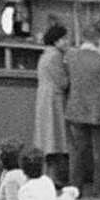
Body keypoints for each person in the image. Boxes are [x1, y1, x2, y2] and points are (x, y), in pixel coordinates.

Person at [62, 23, 100, 199]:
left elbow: (66, 81)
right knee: (99, 153)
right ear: (98, 40)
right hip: (98, 112)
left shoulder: (71, 56)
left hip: (75, 109)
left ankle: (75, 188)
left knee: (77, 152)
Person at [31, 24, 71, 185]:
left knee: (47, 139)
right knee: (55, 139)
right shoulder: (56, 56)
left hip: (44, 98)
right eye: (64, 38)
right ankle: (53, 178)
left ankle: (48, 176)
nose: (67, 42)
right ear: (56, 41)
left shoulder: (45, 55)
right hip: (53, 101)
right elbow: (62, 82)